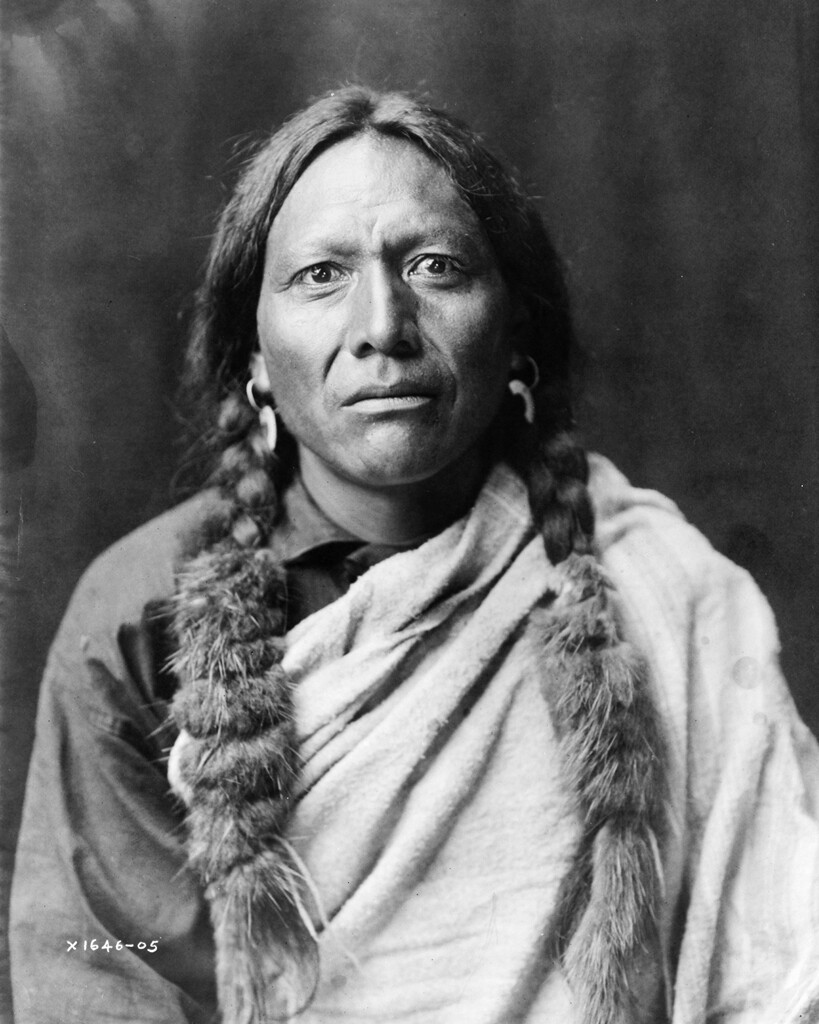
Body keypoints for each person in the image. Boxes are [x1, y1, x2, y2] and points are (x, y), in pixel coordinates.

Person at [9, 86, 819, 1024]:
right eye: (321, 275)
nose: (381, 326)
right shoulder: (139, 611)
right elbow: (101, 959)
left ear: (515, 331)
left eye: (435, 267)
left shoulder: (663, 588)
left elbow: (783, 962)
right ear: (254, 356)